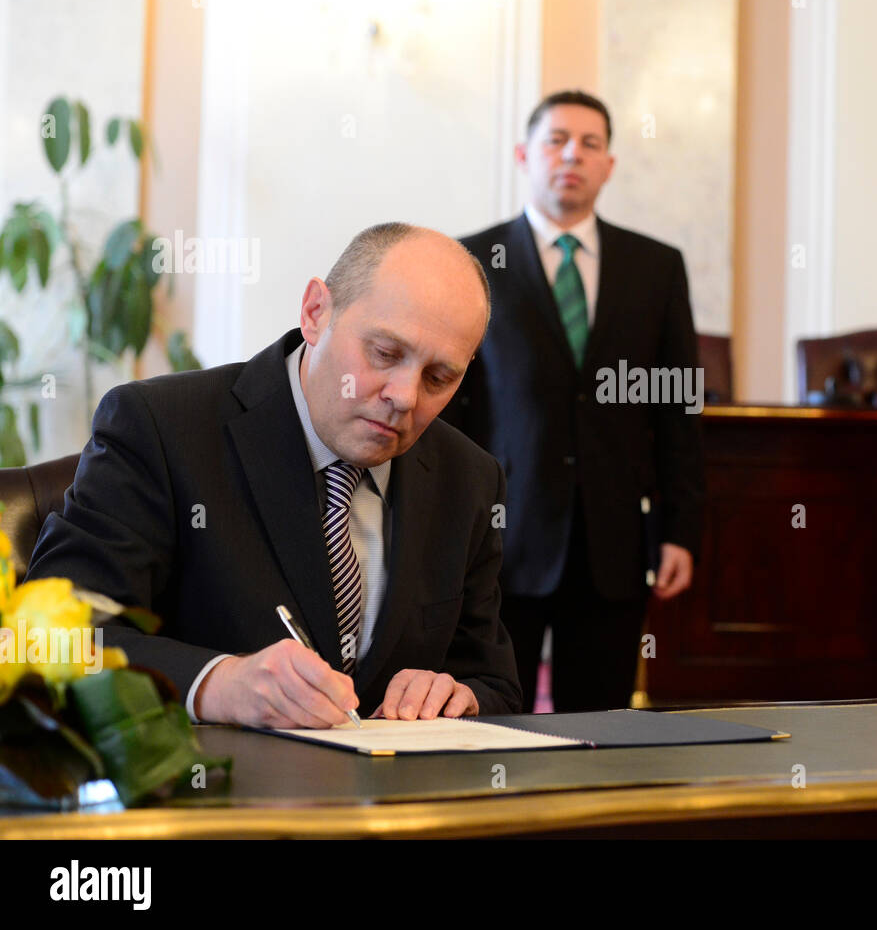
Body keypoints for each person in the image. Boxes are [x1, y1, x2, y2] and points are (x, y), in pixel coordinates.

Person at [26, 224, 521, 727]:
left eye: (440, 378)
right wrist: (217, 684)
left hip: (390, 802)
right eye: (385, 354)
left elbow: (496, 684)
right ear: (315, 313)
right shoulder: (159, 427)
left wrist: (459, 695)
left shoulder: (470, 479)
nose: (406, 397)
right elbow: (50, 639)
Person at [447, 90, 704, 713]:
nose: (572, 155)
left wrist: (680, 530)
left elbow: (680, 408)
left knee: (600, 725)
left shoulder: (656, 266)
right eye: (556, 140)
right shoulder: (469, 260)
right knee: (492, 715)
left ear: (609, 165)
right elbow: (453, 405)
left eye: (591, 144)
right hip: (502, 533)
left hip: (613, 537)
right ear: (524, 155)